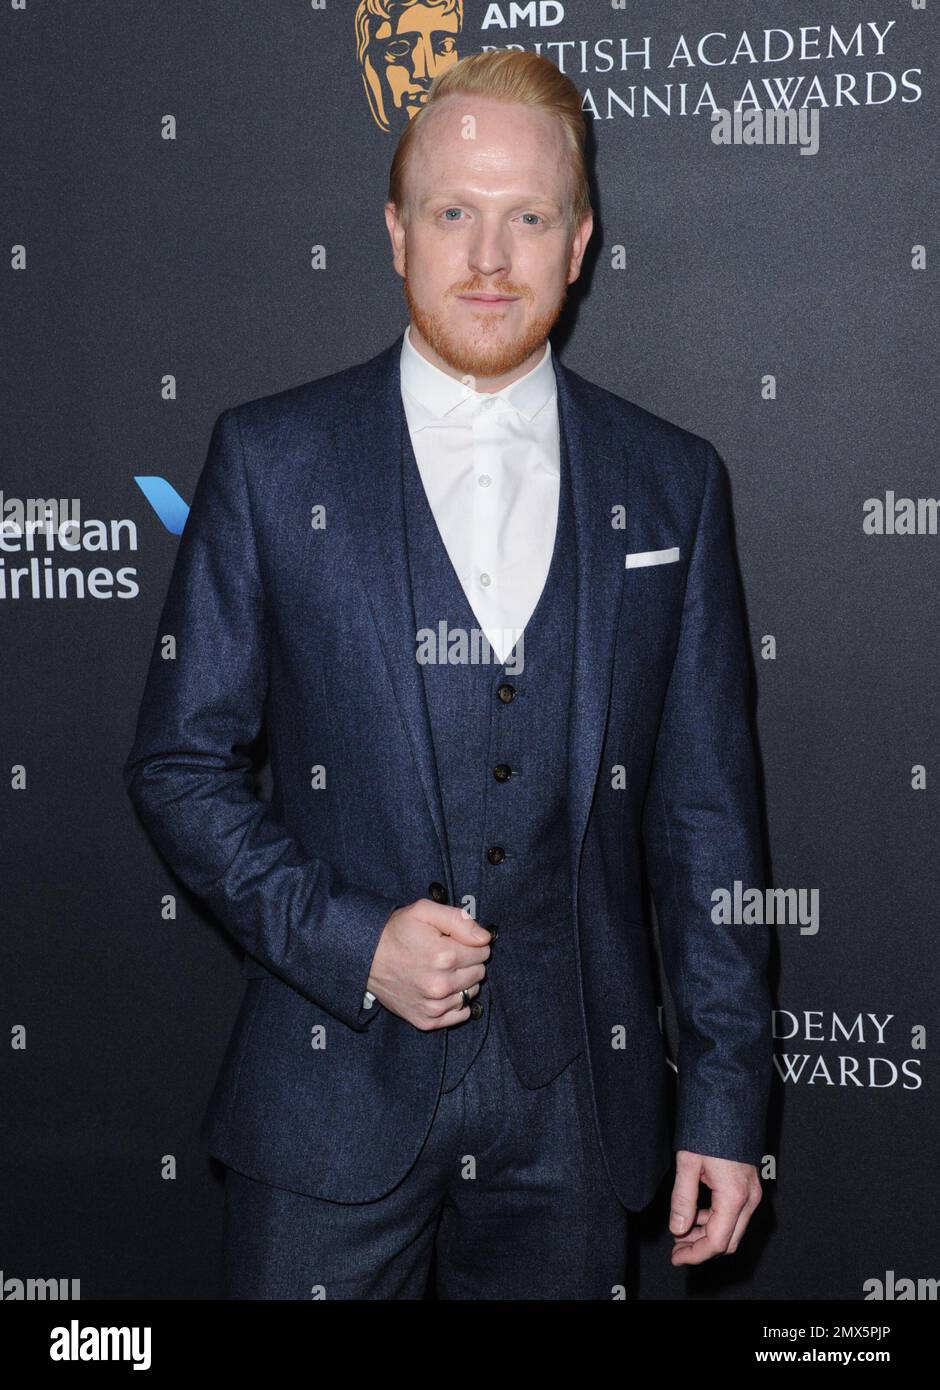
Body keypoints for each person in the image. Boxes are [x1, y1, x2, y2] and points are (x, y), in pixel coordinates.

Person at [123, 49, 772, 1300]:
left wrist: (729, 1093)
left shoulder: (673, 481)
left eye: (527, 216)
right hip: (327, 1086)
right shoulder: (271, 461)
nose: (489, 255)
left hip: (578, 1104)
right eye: (453, 213)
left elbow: (707, 822)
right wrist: (348, 939)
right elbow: (178, 764)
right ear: (394, 232)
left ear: (578, 243)